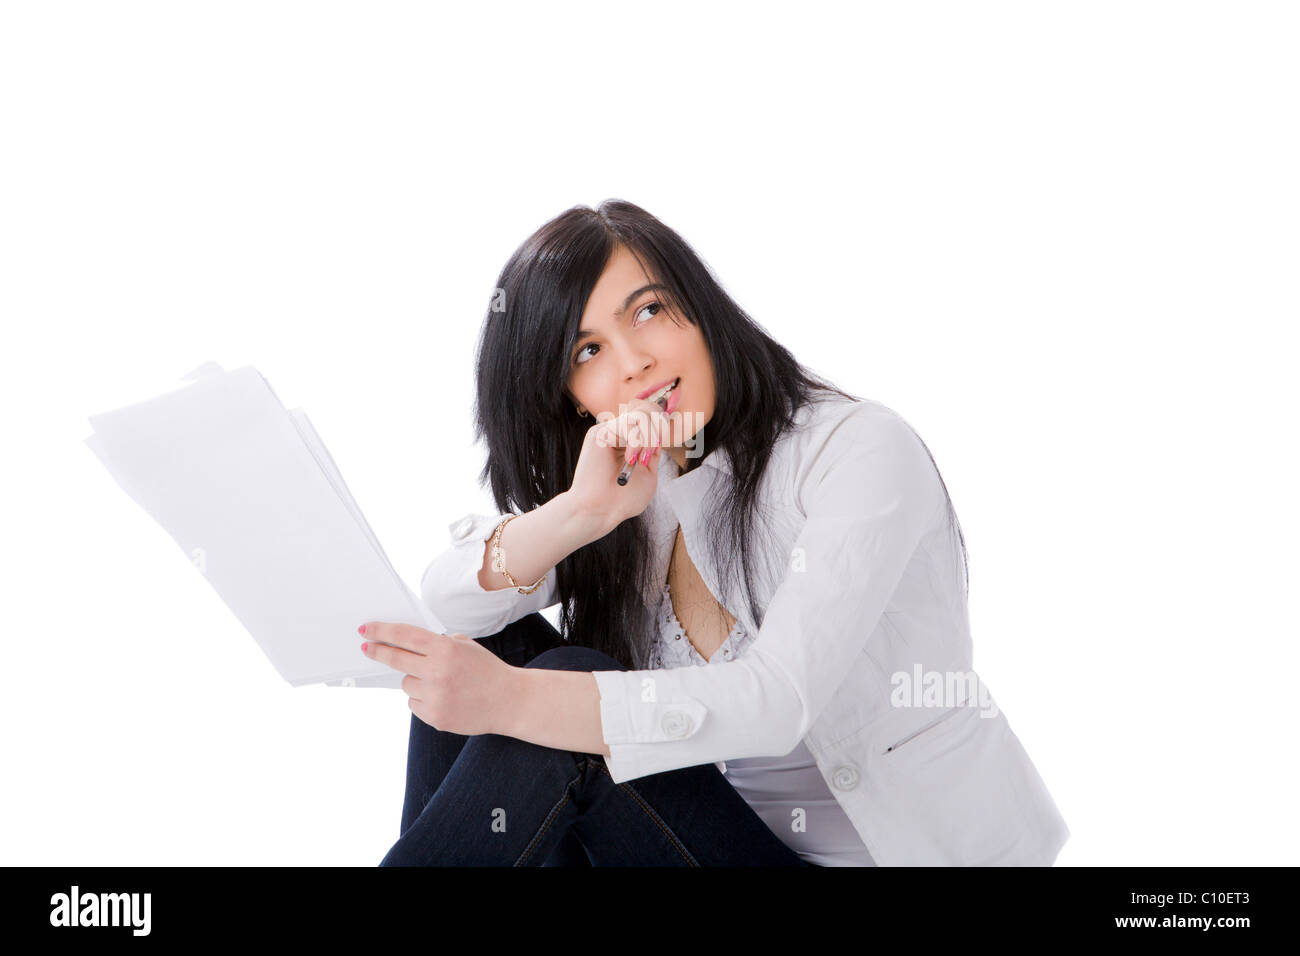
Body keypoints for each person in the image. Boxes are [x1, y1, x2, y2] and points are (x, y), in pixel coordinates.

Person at [370, 199, 1070, 866]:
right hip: (691, 846)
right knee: (481, 645)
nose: (634, 362)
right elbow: (450, 606)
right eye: (588, 352)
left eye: (648, 310)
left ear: (700, 310)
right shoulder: (627, 485)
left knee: (550, 689)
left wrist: (512, 698)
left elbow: (779, 703)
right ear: (569, 399)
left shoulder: (856, 451)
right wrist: (579, 514)